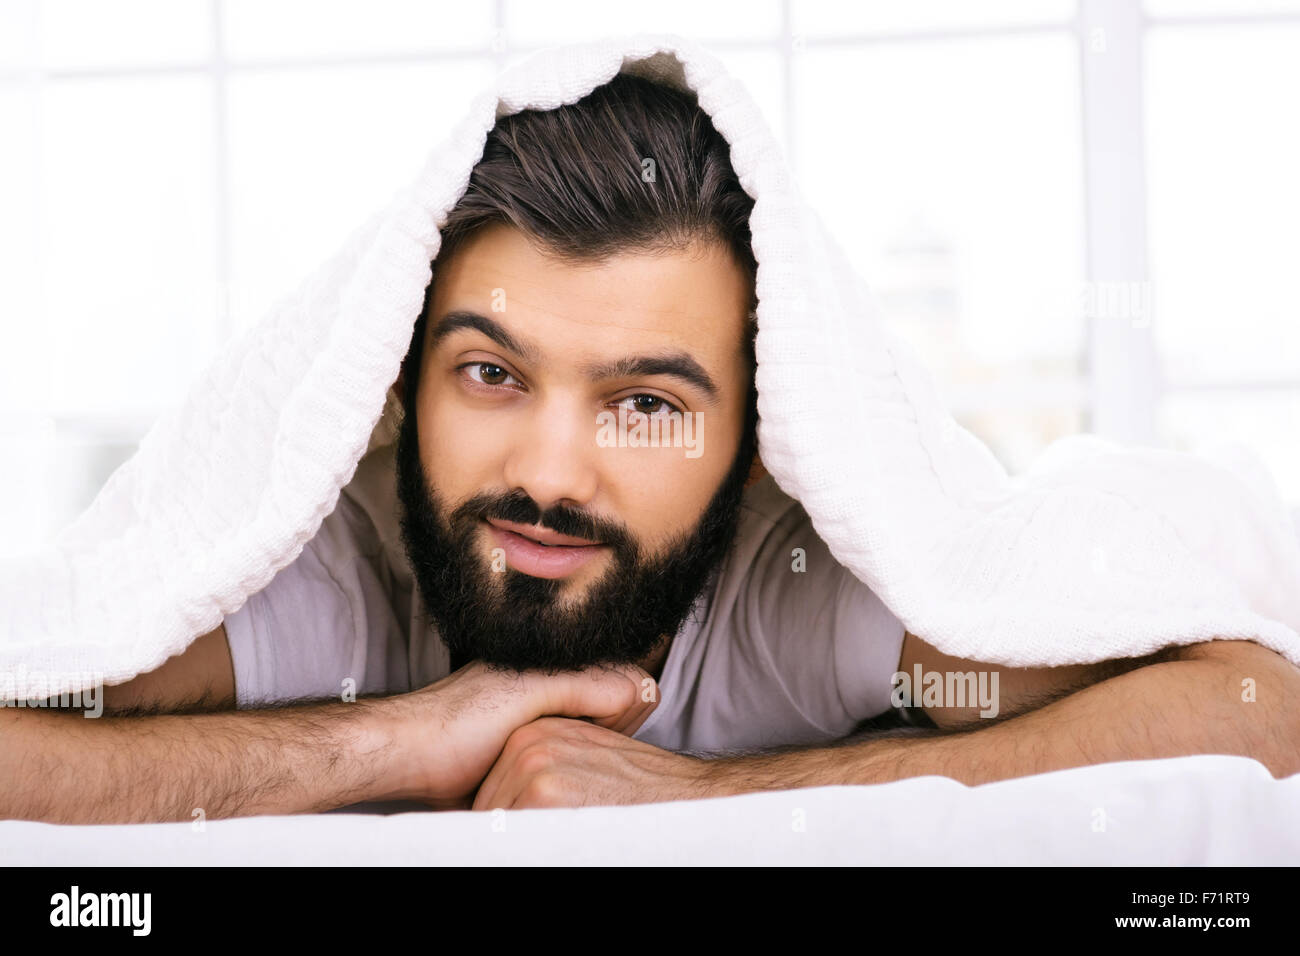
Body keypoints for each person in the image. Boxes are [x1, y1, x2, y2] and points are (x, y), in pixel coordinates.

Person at [2, 73, 1294, 825]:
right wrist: (406, 738)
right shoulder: (337, 575)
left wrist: (694, 795)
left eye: (650, 404)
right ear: (404, 385)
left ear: (757, 443)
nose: (556, 473)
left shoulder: (792, 593)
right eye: (493, 375)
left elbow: (1256, 708)